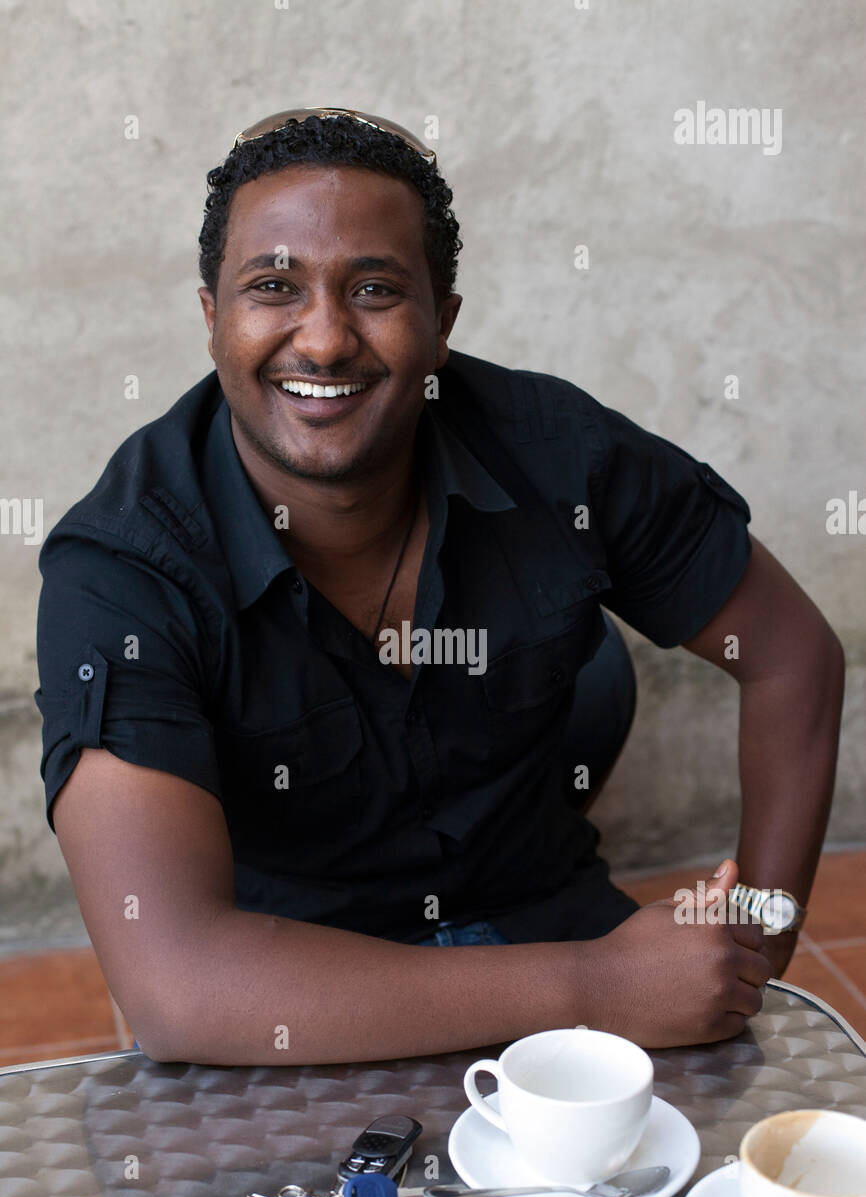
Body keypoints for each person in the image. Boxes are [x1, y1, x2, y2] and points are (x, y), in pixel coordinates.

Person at [34, 110, 844, 1065]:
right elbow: (179, 985)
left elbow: (793, 656)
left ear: (442, 322)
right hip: (290, 1006)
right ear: (213, 317)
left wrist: (758, 942)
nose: (326, 340)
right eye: (273, 287)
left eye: (374, 288)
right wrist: (596, 990)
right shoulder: (125, 568)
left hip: (547, 922)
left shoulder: (560, 457)